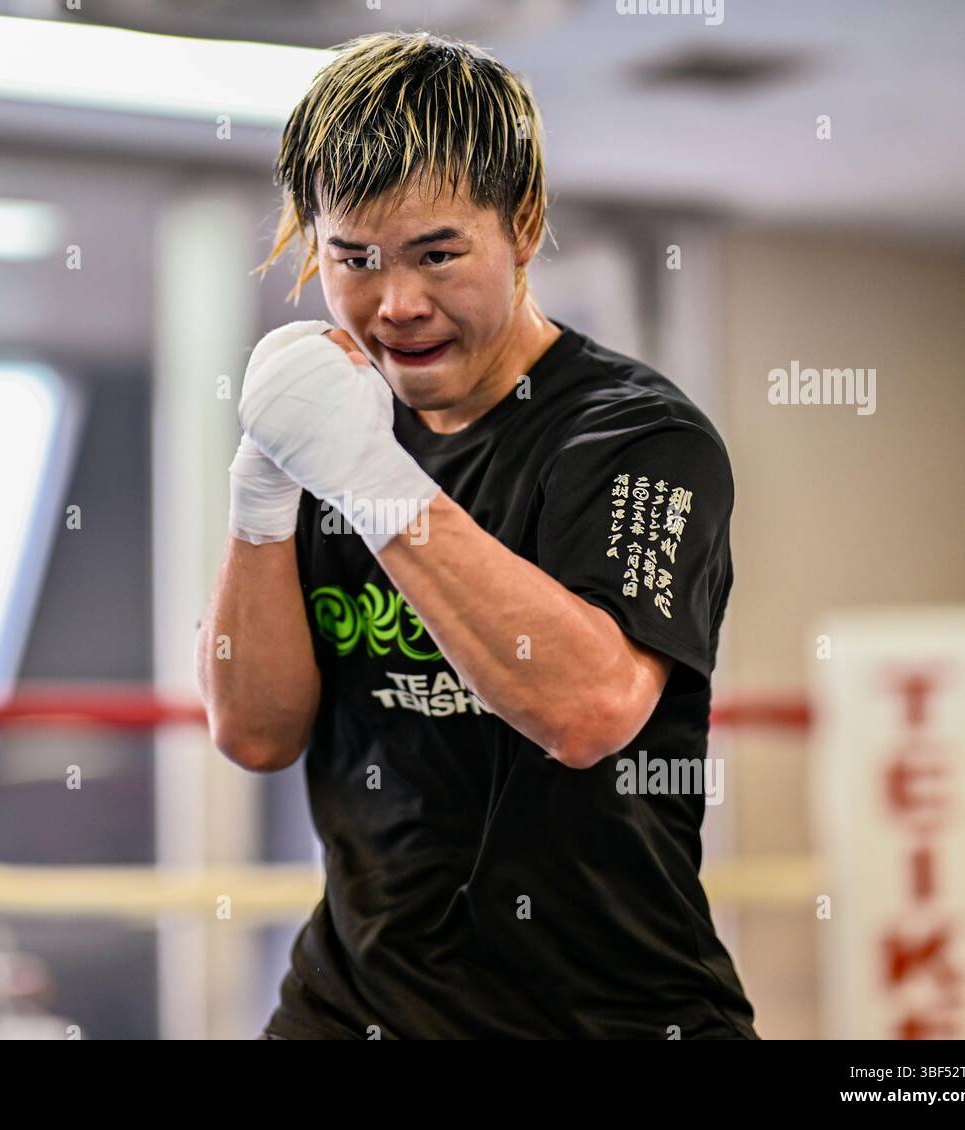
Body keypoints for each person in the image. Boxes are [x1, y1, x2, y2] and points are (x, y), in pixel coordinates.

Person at [195, 30, 757, 1040]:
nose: (396, 303)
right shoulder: (335, 420)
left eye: (437, 253)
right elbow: (253, 731)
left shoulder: (636, 438)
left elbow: (586, 707)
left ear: (524, 226)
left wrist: (372, 481)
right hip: (353, 1006)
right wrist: (263, 491)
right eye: (352, 258)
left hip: (603, 1013)